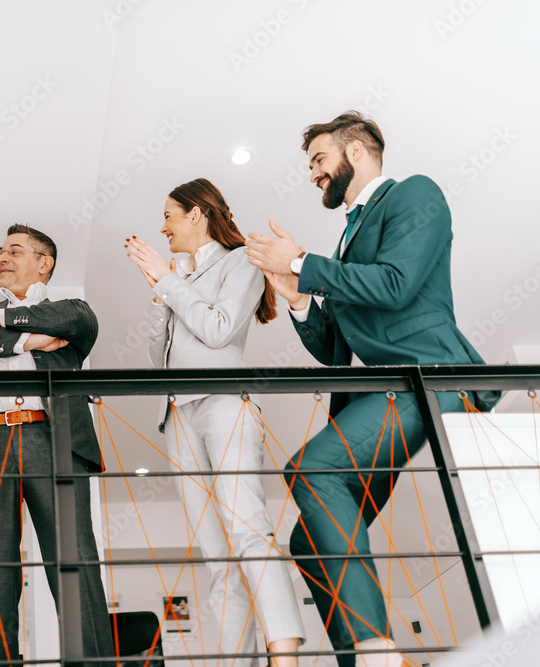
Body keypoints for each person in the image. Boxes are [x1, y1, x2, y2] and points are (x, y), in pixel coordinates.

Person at [244, 112, 498, 667]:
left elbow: (397, 284)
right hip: (374, 396)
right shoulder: (346, 238)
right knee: (308, 543)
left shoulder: (414, 194)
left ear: (354, 153)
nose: (312, 173)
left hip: (423, 379)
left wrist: (300, 261)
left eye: (318, 159)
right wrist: (296, 293)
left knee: (311, 470)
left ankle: (376, 649)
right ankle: (369, 660)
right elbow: (334, 345)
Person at [126, 178, 304, 667]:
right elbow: (157, 358)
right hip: (178, 412)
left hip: (225, 402)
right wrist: (162, 294)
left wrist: (167, 282)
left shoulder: (240, 260)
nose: (162, 227)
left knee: (248, 532)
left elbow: (218, 329)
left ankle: (284, 655)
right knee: (216, 555)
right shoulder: (177, 275)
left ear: (197, 215)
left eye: (168, 215)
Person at [0, 224, 114, 665]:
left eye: (14, 250)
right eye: (0, 250)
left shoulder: (70, 309)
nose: (2, 258)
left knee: (74, 563)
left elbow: (75, 324)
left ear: (43, 263)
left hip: (51, 438)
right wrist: (29, 340)